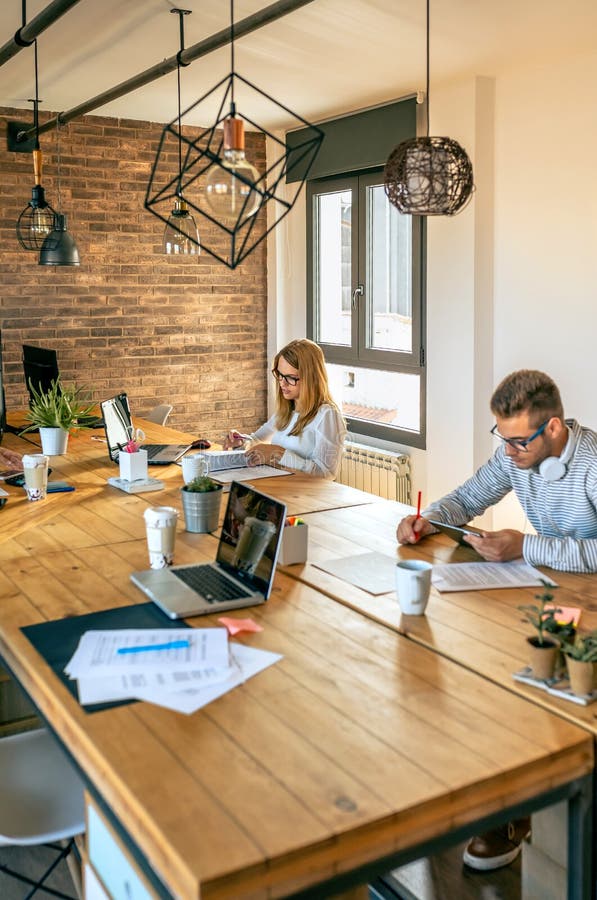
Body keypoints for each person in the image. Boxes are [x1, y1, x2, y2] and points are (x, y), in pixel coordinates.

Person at [397, 369, 597, 871]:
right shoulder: (516, 455)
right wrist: (429, 519)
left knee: (522, 686)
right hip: (548, 594)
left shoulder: (593, 465)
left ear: (553, 428)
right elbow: (468, 497)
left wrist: (526, 546)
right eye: (502, 438)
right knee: (480, 669)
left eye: (518, 441)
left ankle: (513, 811)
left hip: (587, 610)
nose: (508, 451)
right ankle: (494, 798)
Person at [223, 339, 346, 479]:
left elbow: (326, 474)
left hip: (304, 492)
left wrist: (278, 453)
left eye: (291, 378)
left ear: (311, 378)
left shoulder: (327, 415)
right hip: (279, 486)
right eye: (280, 375)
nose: (283, 383)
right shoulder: (287, 409)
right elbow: (256, 439)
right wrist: (241, 441)